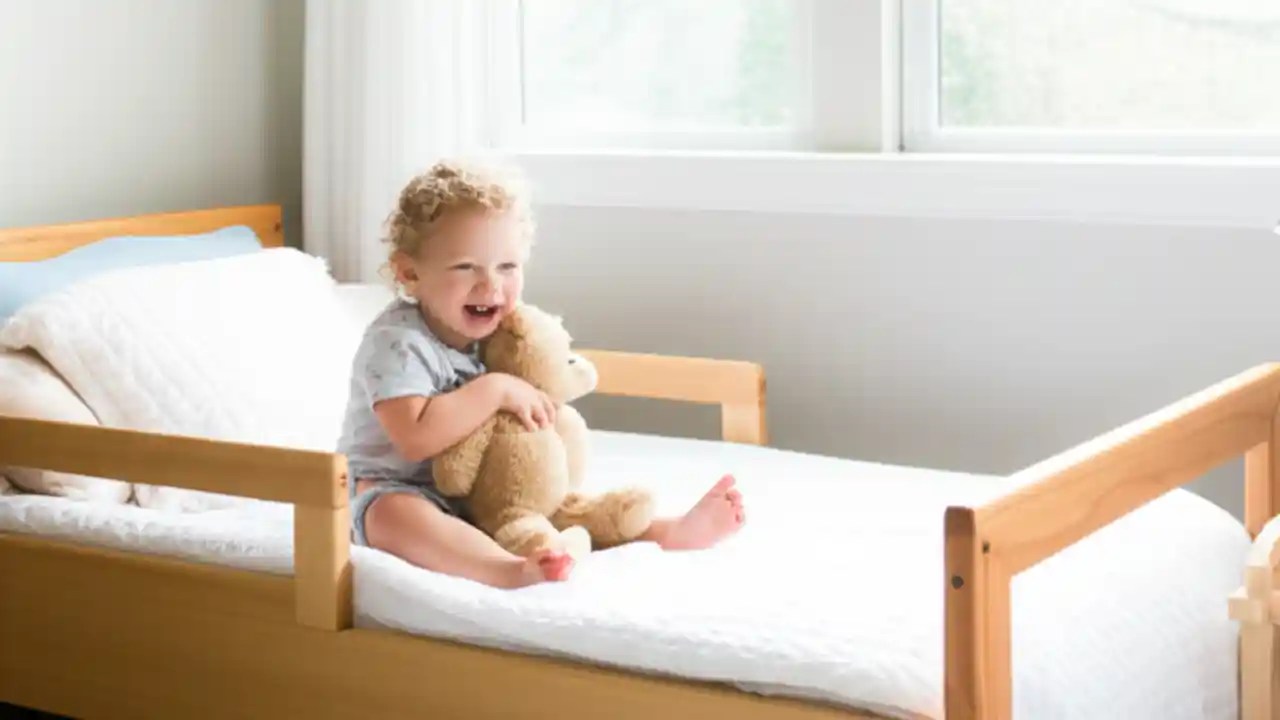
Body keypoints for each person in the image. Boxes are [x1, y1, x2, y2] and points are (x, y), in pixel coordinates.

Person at [336, 159, 746, 588]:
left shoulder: (496, 332)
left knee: (537, 499)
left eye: (507, 267)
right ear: (410, 272)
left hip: (478, 488)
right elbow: (414, 438)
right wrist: (495, 389)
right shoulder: (398, 343)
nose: (490, 286)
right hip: (392, 486)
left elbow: (544, 375)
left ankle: (664, 531)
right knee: (393, 514)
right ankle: (505, 569)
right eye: (465, 267)